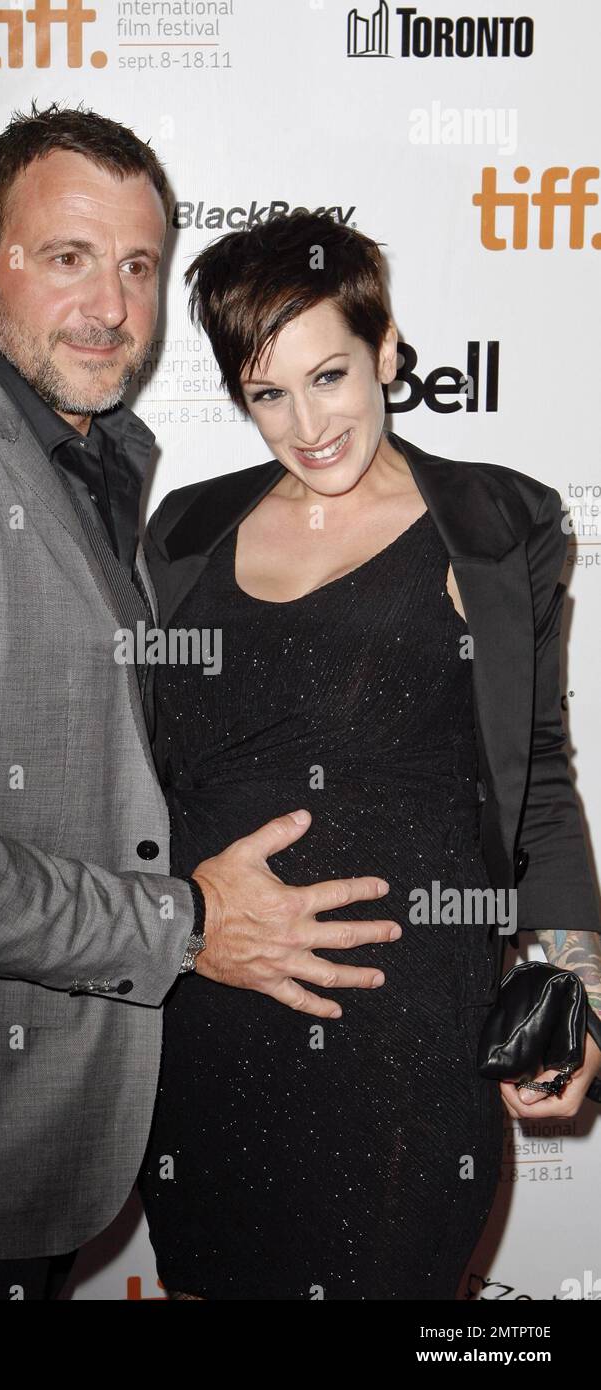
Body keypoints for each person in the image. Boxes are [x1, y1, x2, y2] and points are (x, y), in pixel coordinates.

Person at [0, 110, 401, 1301]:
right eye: (67, 258)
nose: (111, 307)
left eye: (137, 266)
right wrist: (190, 924)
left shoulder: (95, 458)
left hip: (59, 1095)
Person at [138, 210, 601, 1300]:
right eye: (267, 393)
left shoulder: (494, 524)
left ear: (387, 349)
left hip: (397, 1025)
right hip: (209, 1008)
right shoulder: (180, 533)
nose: (306, 423)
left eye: (330, 374)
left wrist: (577, 988)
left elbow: (535, 775)